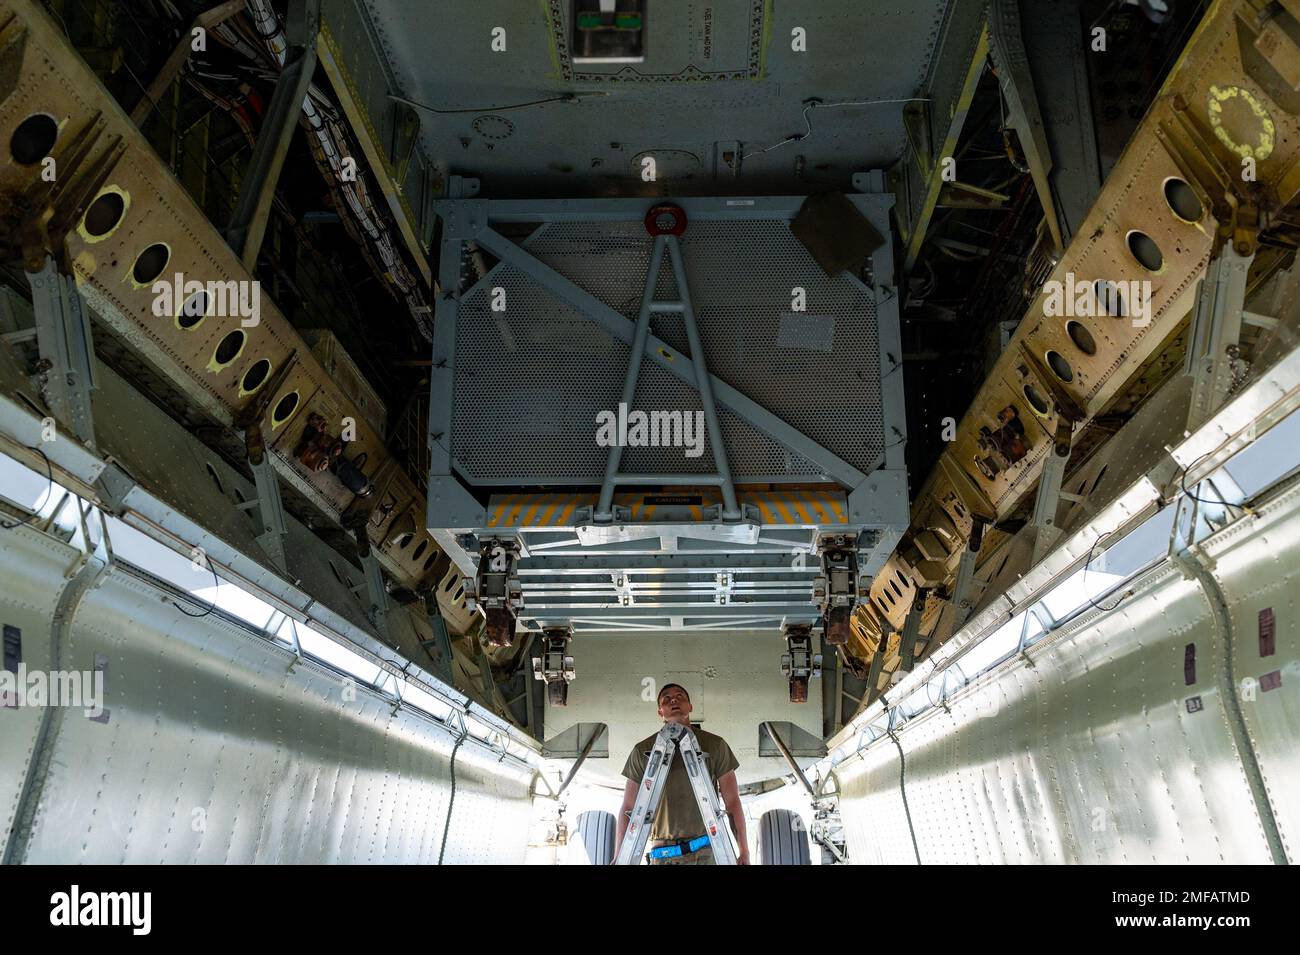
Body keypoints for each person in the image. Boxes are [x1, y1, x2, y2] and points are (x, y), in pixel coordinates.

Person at [614, 683, 748, 865]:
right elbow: (629, 807)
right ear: (660, 712)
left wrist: (744, 852)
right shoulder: (642, 751)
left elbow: (732, 802)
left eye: (679, 696)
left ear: (690, 707)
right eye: (667, 699)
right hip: (663, 856)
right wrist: (619, 856)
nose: (674, 701)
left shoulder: (716, 745)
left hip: (707, 853)